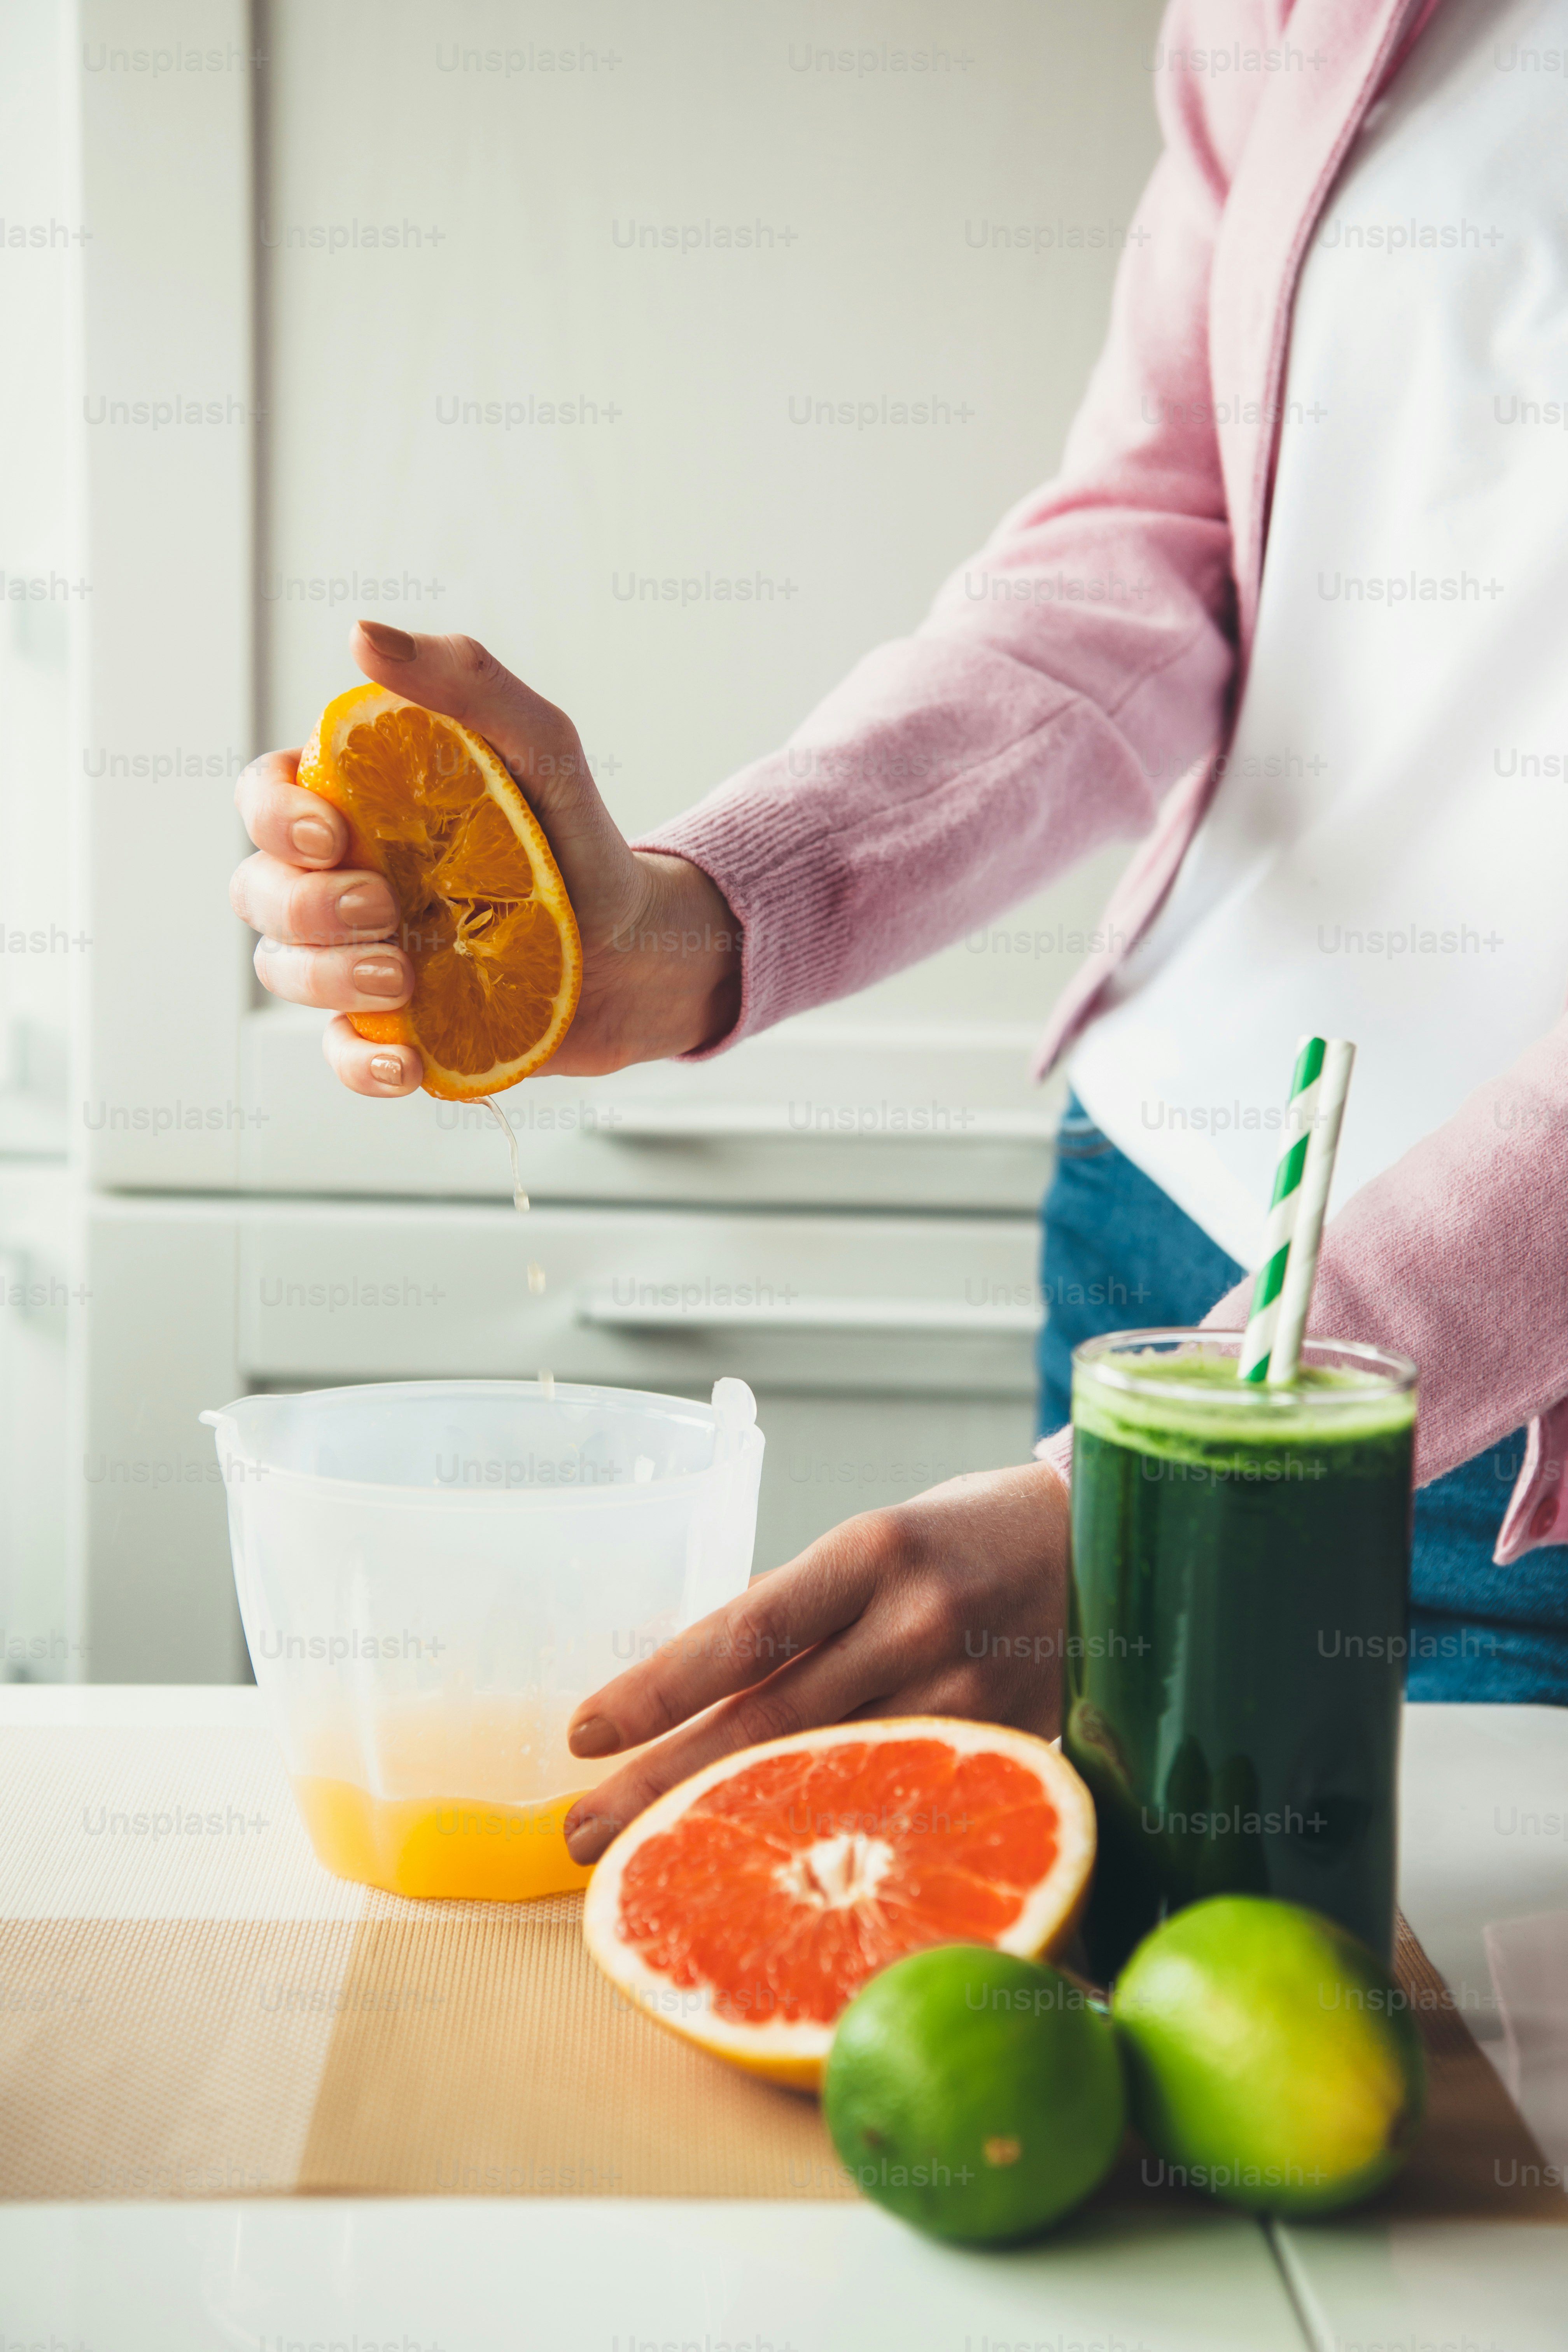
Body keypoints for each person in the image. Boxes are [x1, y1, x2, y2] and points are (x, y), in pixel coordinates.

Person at [231, 0, 1568, 1865]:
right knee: (1120, 2048)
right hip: (1172, 1210)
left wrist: (1166, 1490)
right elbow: (1157, 540)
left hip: (1510, 1433)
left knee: (1447, 2118)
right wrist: (699, 923)